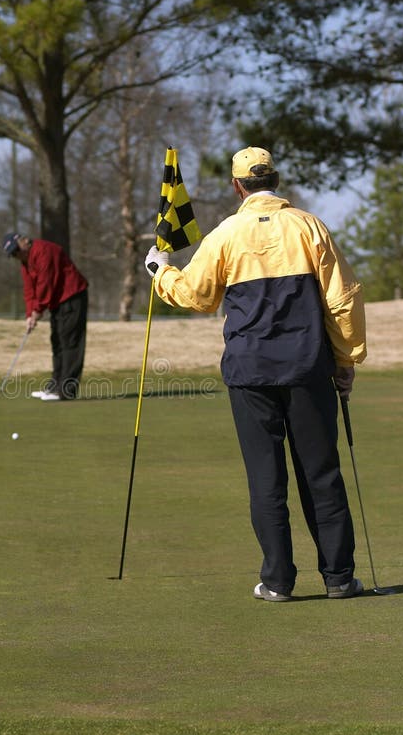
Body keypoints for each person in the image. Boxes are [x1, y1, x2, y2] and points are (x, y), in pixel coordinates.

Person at [144, 146, 367, 602]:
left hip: (250, 374)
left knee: (266, 479)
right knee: (321, 474)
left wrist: (159, 272)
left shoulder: (226, 234)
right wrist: (346, 362)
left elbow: (197, 296)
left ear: (237, 185)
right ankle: (340, 578)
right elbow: (342, 300)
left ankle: (279, 582)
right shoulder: (310, 227)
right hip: (308, 368)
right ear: (276, 181)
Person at [2, 233, 88, 401]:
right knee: (57, 341)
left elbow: (45, 283)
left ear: (24, 241)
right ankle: (54, 386)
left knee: (69, 342)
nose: (16, 255)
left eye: (16, 250)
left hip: (72, 297)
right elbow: (29, 290)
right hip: (57, 301)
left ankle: (66, 391)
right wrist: (30, 314)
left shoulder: (43, 251)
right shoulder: (25, 262)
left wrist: (38, 310)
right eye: (13, 254)